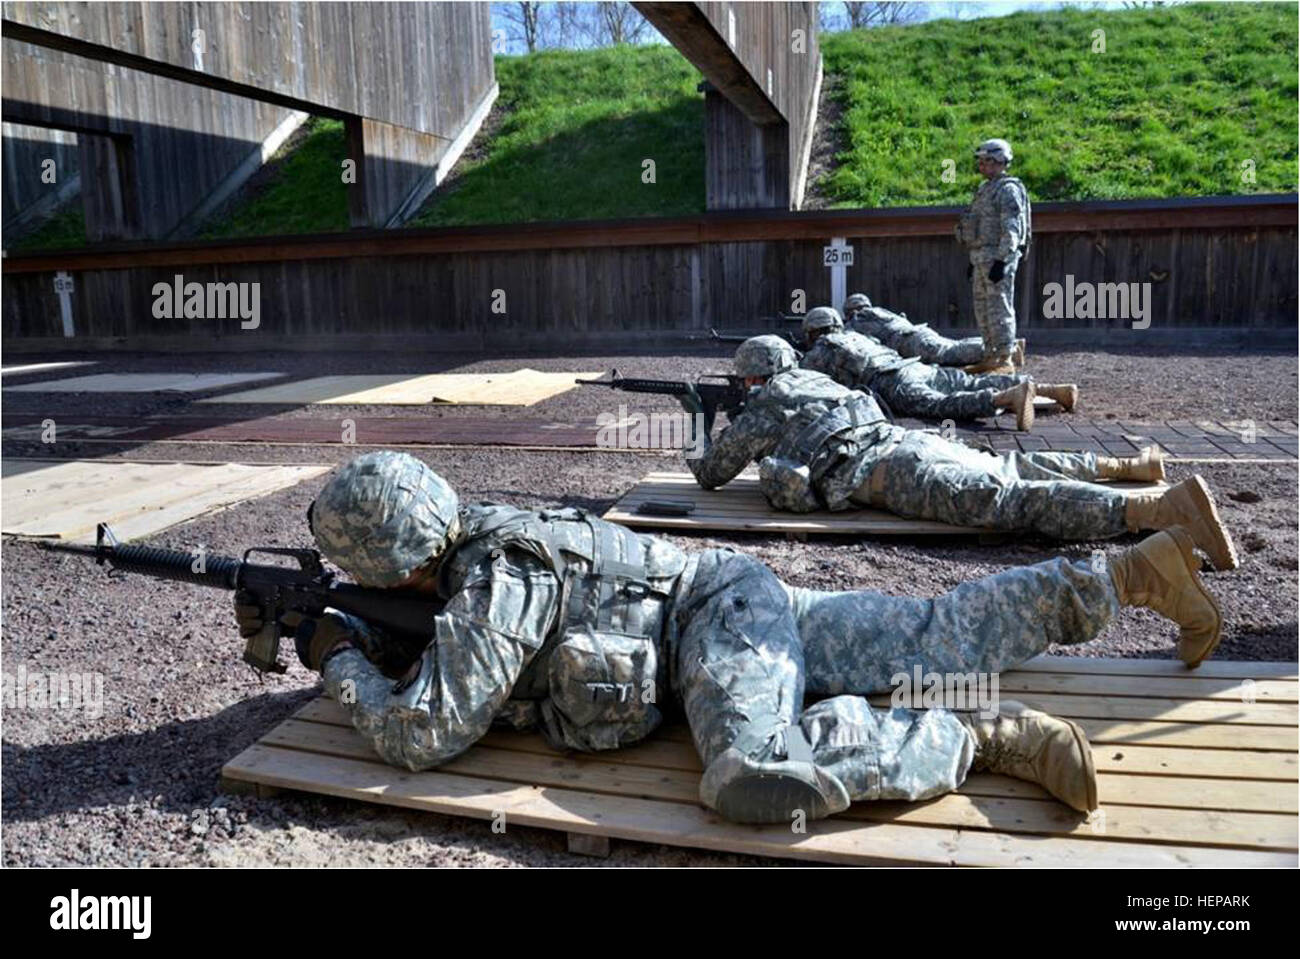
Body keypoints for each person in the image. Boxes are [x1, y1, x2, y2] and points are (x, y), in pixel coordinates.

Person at [236, 451, 1226, 826]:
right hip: (737, 597)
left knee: (751, 773)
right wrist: (359, 625)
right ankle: (1129, 571)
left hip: (718, 623)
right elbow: (440, 633)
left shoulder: (497, 578)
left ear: (389, 558)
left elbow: (419, 735)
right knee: (933, 631)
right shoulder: (475, 535)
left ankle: (982, 734)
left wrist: (340, 658)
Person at [682, 336, 1238, 572]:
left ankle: (1161, 510)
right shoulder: (819, 380)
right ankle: (1127, 467)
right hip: (910, 442)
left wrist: (699, 420)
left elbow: (711, 474)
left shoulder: (766, 402)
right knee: (1012, 466)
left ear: (753, 376)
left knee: (1009, 502)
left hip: (889, 474)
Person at [799, 306, 1075, 431]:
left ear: (812, 332)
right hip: (913, 367)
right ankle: (1051, 390)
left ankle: (1002, 399)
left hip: (891, 382)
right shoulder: (859, 335)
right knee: (965, 381)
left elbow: (804, 377)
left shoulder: (821, 350)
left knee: (941, 405)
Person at [955, 138, 1031, 373]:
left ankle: (1004, 358)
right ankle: (991, 355)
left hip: (997, 259)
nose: (981, 165)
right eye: (980, 161)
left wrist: (1001, 260)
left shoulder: (1008, 189)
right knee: (983, 307)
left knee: (999, 307)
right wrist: (973, 259)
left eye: (985, 160)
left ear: (998, 160)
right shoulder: (985, 189)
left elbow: (1012, 229)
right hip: (980, 258)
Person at [841, 292, 1023, 369]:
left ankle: (1005, 350)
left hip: (910, 342)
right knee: (954, 345)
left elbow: (845, 338)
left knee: (951, 353)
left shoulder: (859, 319)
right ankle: (1008, 344)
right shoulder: (879, 311)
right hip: (917, 333)